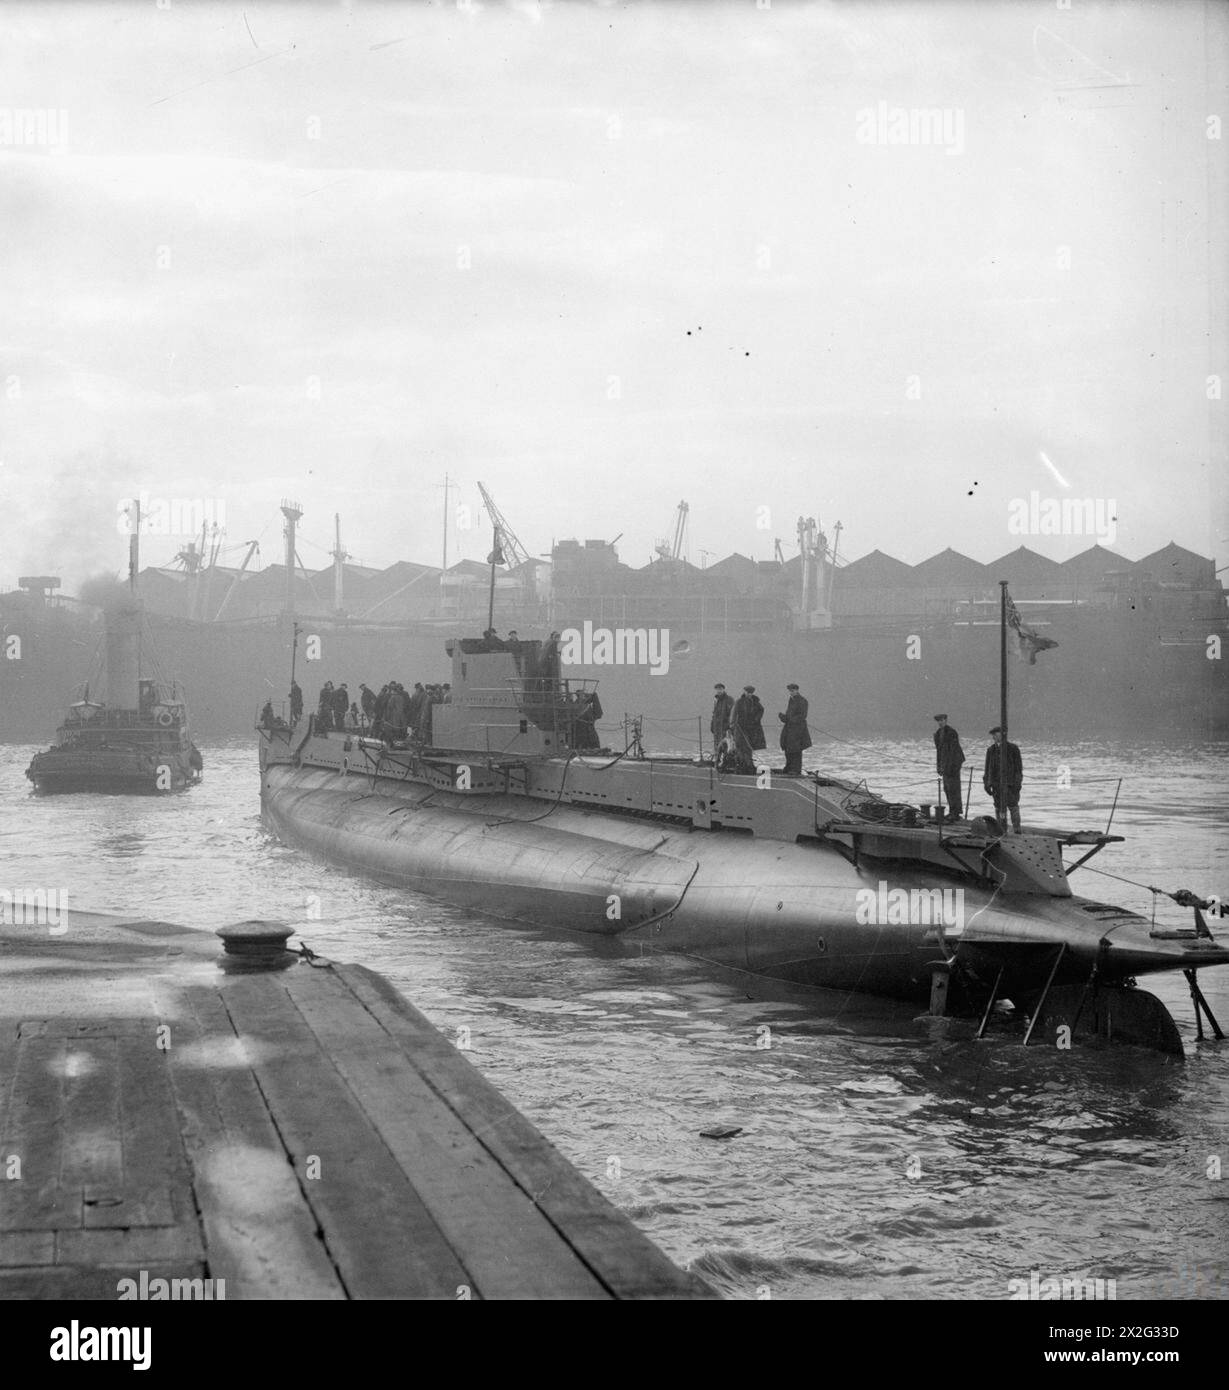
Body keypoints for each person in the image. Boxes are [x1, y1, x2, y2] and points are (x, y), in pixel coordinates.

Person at [983, 725, 1023, 832]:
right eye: (993, 735)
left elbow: (1018, 769)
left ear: (1002, 734)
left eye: (996, 735)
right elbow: (987, 769)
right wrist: (986, 784)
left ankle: (1017, 830)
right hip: (996, 785)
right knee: (999, 808)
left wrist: (1017, 785)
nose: (994, 737)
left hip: (1010, 785)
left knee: (1013, 807)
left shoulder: (1013, 749)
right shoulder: (991, 750)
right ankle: (1000, 830)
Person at [933, 713, 965, 820]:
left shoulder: (951, 732)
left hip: (954, 764)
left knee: (954, 789)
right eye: (938, 721)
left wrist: (952, 766)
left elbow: (954, 751)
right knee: (947, 788)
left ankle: (956, 812)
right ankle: (952, 811)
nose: (940, 722)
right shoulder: (937, 734)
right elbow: (939, 752)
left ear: (946, 720)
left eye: (942, 720)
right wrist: (939, 766)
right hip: (944, 765)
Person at [778, 683, 811, 776]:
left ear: (797, 690)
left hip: (798, 729)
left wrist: (789, 719)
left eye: (792, 691)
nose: (791, 692)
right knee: (787, 748)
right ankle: (789, 767)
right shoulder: (791, 700)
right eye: (790, 691)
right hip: (790, 728)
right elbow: (790, 715)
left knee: (796, 750)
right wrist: (783, 717)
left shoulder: (802, 701)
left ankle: (796, 769)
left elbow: (802, 716)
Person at [710, 684, 734, 751]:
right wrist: (712, 724)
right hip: (717, 728)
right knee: (717, 746)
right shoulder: (716, 700)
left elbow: (732, 713)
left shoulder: (729, 699)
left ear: (724, 689)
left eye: (720, 689)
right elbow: (714, 714)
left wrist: (729, 725)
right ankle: (717, 760)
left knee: (726, 746)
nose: (719, 691)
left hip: (726, 728)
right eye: (717, 689)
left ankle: (726, 760)